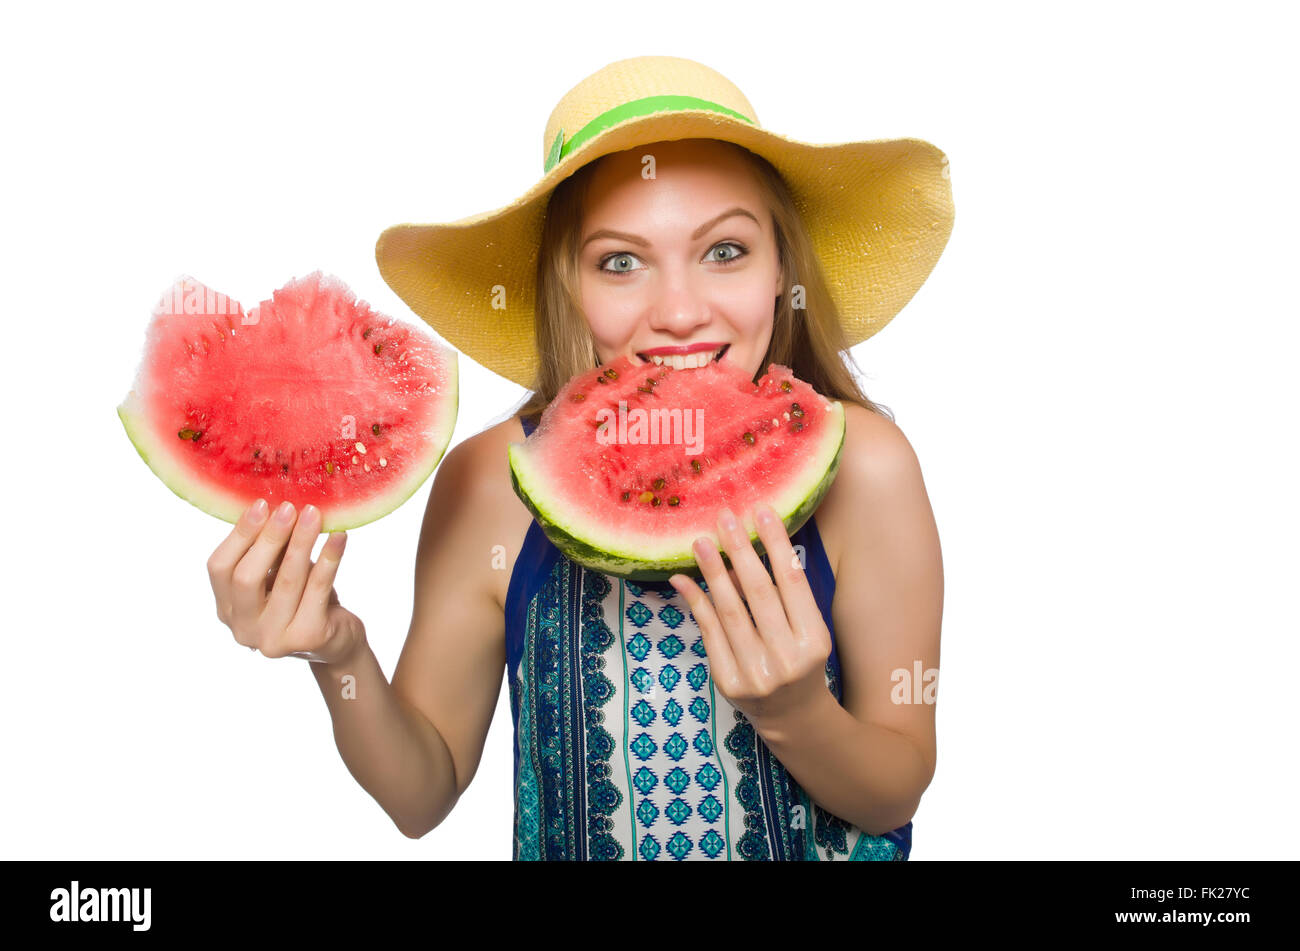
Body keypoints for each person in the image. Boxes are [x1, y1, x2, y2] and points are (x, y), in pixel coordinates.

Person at [205, 55, 953, 860]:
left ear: (781, 270)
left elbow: (898, 784)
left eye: (726, 250)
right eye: (620, 262)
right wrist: (337, 652)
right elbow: (421, 794)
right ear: (568, 285)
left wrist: (796, 714)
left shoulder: (866, 467)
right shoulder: (491, 483)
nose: (678, 310)